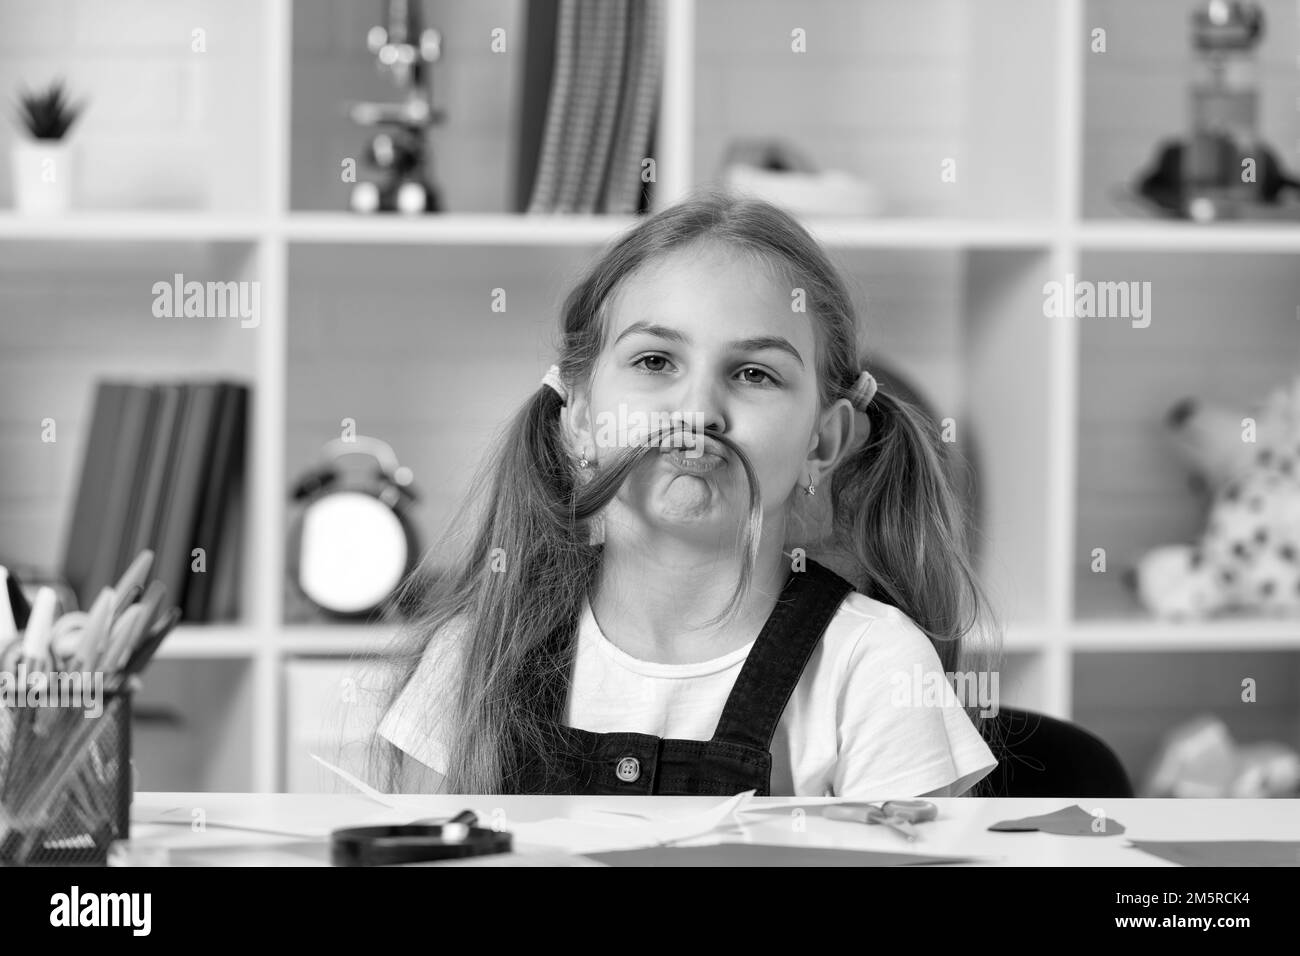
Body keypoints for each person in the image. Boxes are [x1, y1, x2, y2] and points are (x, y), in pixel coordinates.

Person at [366, 186, 1003, 797]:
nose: (698, 411)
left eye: (754, 374)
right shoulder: (476, 652)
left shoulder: (873, 666)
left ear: (822, 442)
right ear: (581, 417)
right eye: (654, 362)